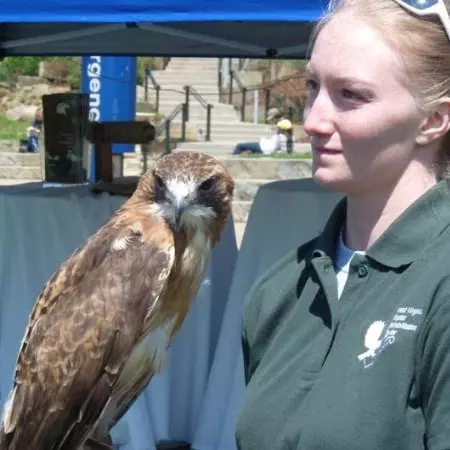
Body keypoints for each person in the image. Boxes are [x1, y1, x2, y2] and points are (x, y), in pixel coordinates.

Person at [235, 0, 450, 449]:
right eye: (313, 86)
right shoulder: (279, 292)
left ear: (433, 120)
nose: (312, 120)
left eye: (350, 95)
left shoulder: (440, 285)